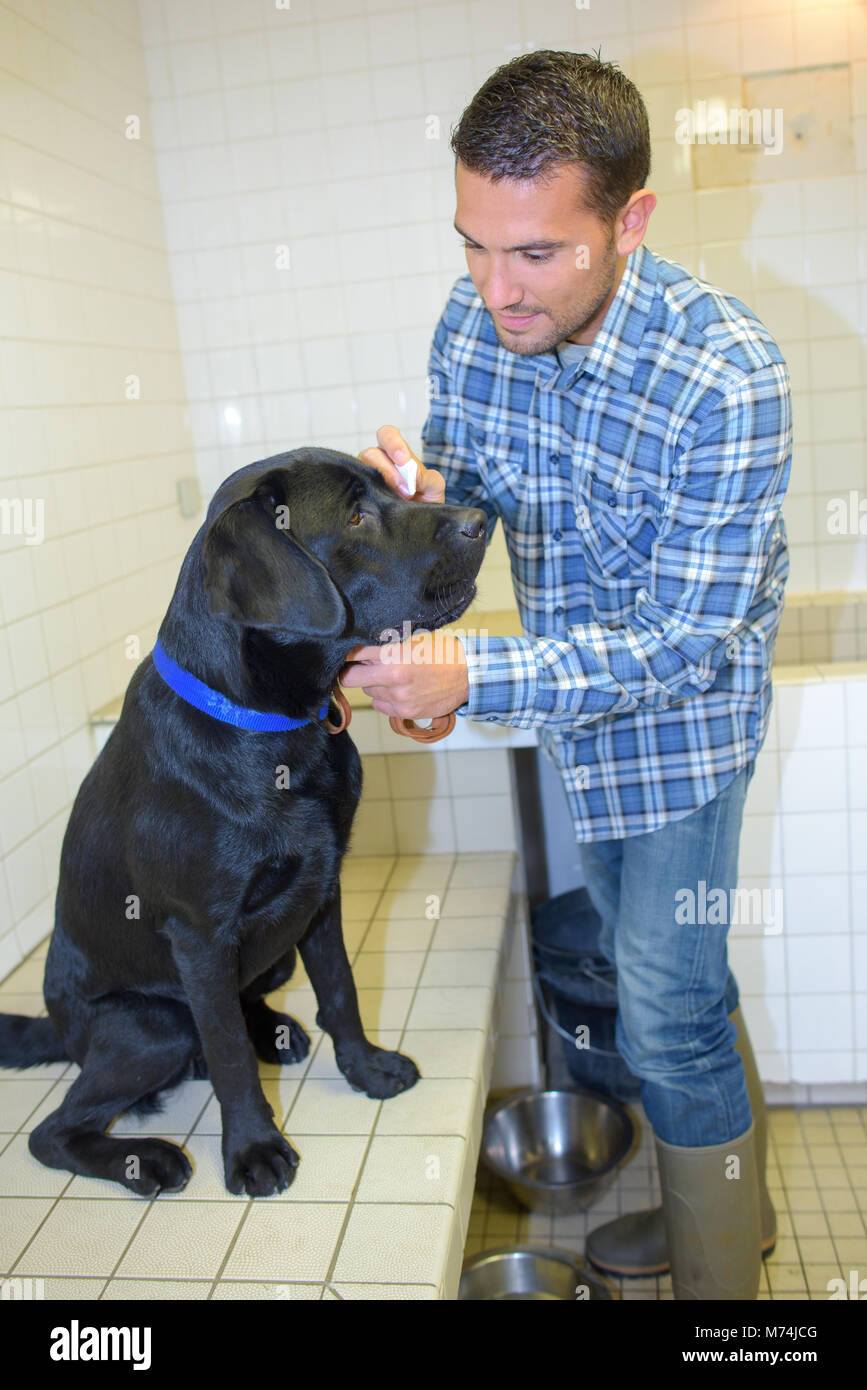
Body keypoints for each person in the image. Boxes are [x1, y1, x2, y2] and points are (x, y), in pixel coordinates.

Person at [343, 49, 791, 1300]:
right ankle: (734, 1213)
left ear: (629, 220)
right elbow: (473, 499)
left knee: (666, 1005)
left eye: (534, 253)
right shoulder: (469, 321)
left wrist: (471, 682)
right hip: (574, 720)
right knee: (674, 982)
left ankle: (729, 1307)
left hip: (686, 731)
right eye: (474, 244)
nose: (494, 289)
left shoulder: (724, 375)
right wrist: (424, 514)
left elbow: (682, 643)